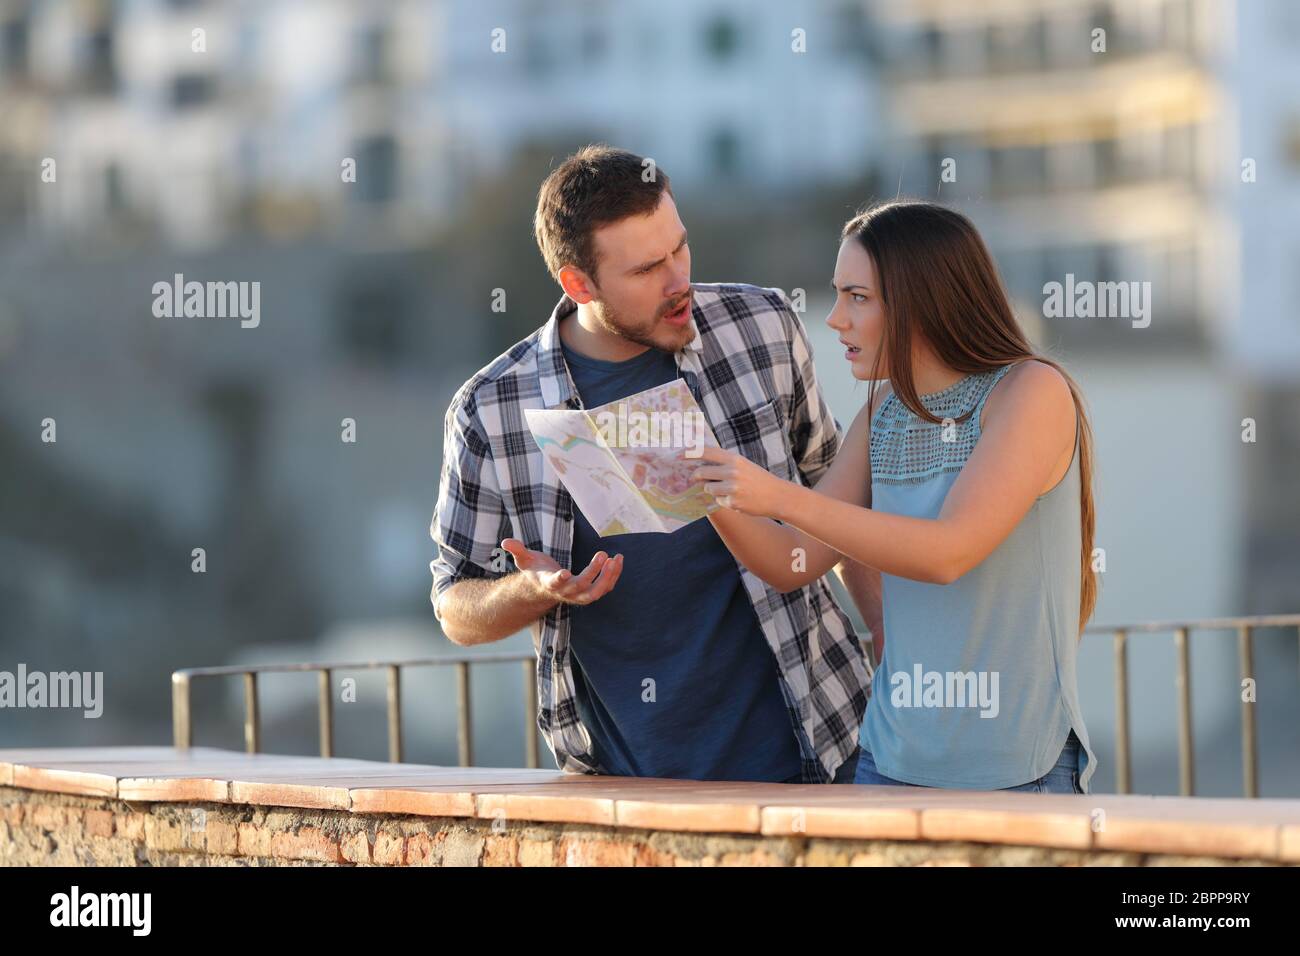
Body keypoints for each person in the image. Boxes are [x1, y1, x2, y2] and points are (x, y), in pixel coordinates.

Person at [430, 144, 874, 784]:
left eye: (680, 249)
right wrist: (533, 591)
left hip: (824, 749)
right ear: (578, 284)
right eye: (645, 271)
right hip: (629, 789)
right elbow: (454, 606)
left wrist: (887, 646)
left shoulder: (764, 326)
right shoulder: (492, 410)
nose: (678, 283)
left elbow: (839, 502)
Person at [691, 199, 1098, 793]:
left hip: (1016, 768)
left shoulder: (1031, 392)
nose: (835, 319)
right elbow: (790, 561)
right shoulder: (880, 413)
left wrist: (777, 495)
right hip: (889, 760)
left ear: (921, 301)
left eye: (858, 297)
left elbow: (946, 553)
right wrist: (698, 485)